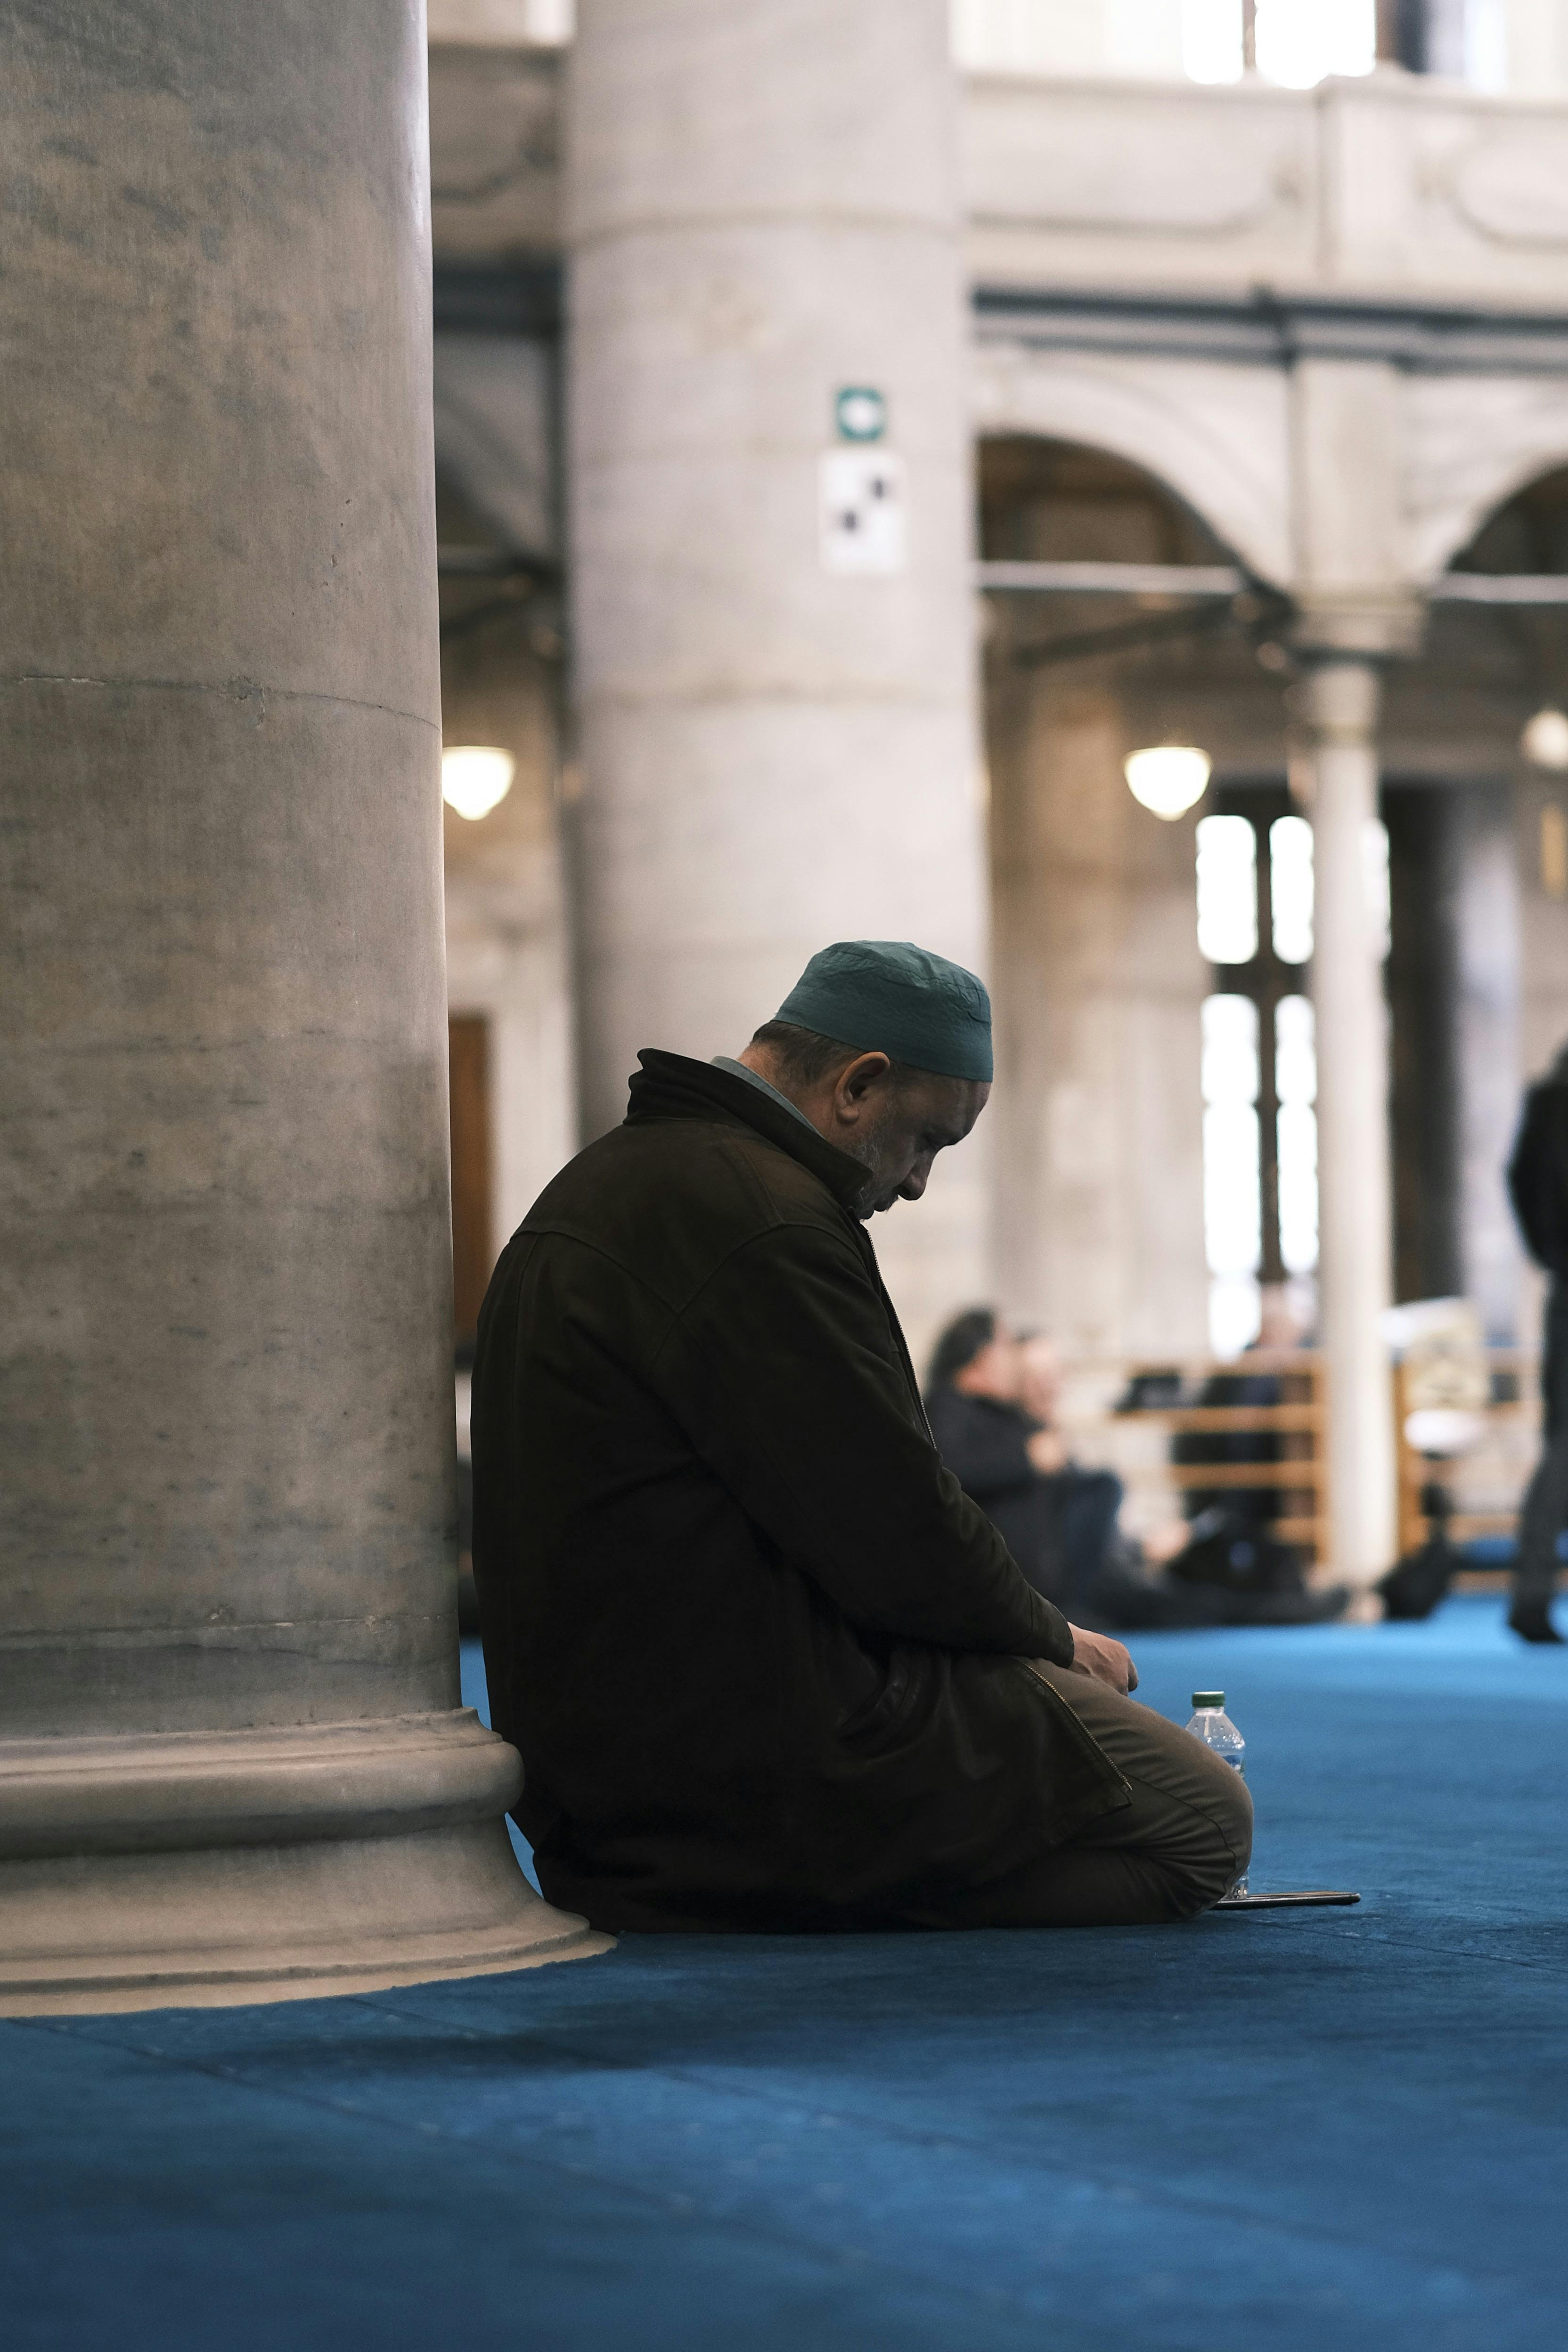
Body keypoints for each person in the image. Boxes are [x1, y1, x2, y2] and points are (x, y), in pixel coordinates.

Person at [472, 940, 1251, 1933]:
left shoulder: (616, 1177)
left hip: (612, 1755)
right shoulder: (765, 1221)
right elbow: (893, 1526)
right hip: (748, 1740)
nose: (917, 1183)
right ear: (858, 1085)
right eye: (926, 1141)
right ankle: (781, 1895)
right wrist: (1050, 1638)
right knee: (1202, 1825)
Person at [925, 1311, 1339, 1631]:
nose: (1015, 1368)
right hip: (1059, 1585)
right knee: (1188, 1604)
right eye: (1007, 1353)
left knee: (1193, 1593)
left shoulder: (1001, 1420)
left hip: (1080, 1573)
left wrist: (1137, 1548)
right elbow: (951, 1473)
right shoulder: (948, 1411)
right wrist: (1028, 1459)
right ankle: (1293, 1612)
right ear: (977, 1358)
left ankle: (1294, 1606)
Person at [1505, 1045, 1568, 1644]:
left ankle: (1531, 1588)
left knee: (1560, 1443)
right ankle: (1530, 1590)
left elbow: (1519, 1179)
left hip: (1563, 1283)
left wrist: (1549, 1252)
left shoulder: (1547, 1096)